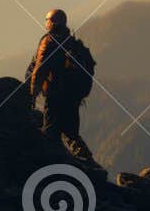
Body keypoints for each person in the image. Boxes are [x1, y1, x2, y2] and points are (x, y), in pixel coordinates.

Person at [26, 9, 97, 163]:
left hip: (55, 96)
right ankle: (88, 162)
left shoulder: (49, 41)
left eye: (47, 19)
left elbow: (40, 69)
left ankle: (50, 165)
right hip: (73, 97)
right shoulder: (72, 42)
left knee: (50, 131)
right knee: (71, 132)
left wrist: (32, 94)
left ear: (52, 22)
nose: (45, 22)